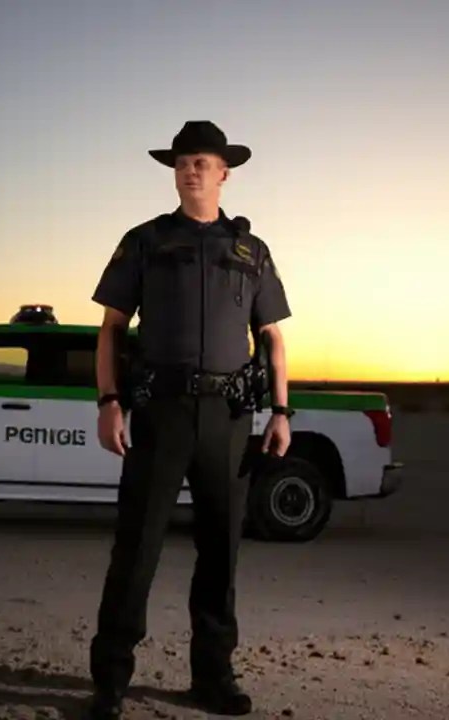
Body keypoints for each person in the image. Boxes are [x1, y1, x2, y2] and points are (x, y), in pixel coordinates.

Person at [85, 120, 293, 718]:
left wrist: (281, 412)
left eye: (202, 161)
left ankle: (213, 676)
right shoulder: (145, 241)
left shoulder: (252, 251)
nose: (190, 170)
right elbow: (112, 328)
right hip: (161, 412)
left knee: (220, 551)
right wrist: (109, 401)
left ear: (225, 173)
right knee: (138, 548)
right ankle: (111, 680)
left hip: (228, 417)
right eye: (181, 162)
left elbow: (272, 338)